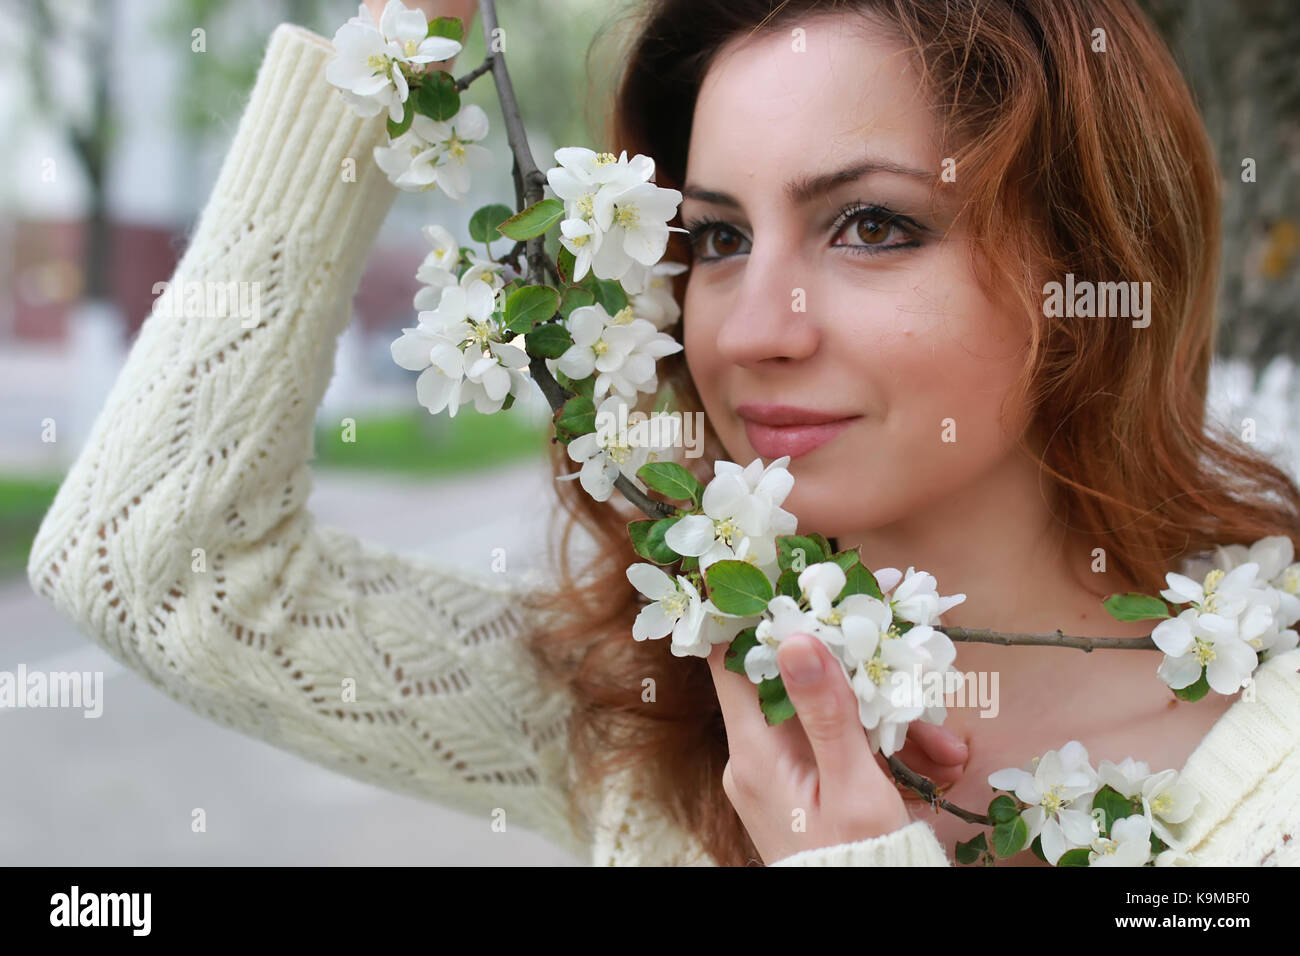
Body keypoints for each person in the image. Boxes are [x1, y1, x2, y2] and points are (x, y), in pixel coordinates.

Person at [27, 0, 1300, 867]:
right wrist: (395, 58)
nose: (750, 330)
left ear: (1086, 264)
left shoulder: (1269, 780)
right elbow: (158, 561)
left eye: (870, 226)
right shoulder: (659, 706)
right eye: (717, 239)